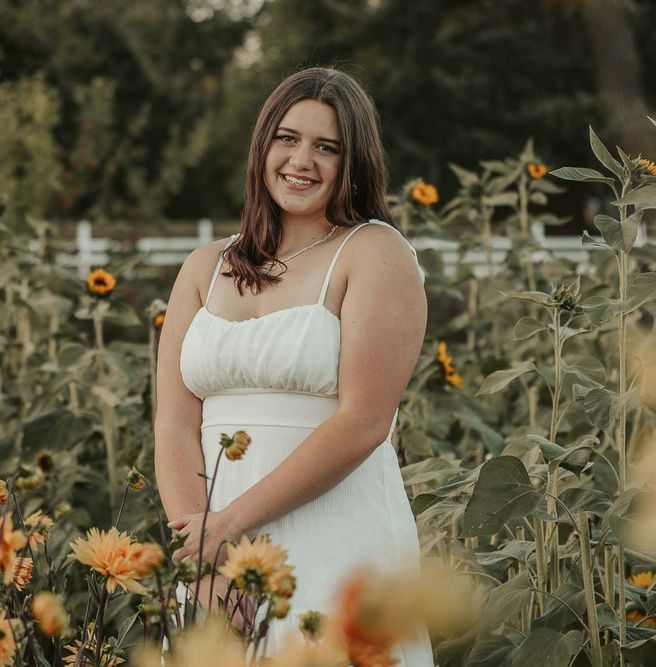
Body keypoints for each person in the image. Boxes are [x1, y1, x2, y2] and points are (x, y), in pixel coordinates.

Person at [153, 66, 434, 664]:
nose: (301, 160)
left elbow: (363, 422)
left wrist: (229, 528)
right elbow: (175, 423)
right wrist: (205, 562)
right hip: (212, 545)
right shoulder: (204, 267)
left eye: (326, 147)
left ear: (352, 161)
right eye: (287, 138)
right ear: (262, 147)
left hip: (335, 532)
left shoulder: (375, 253)